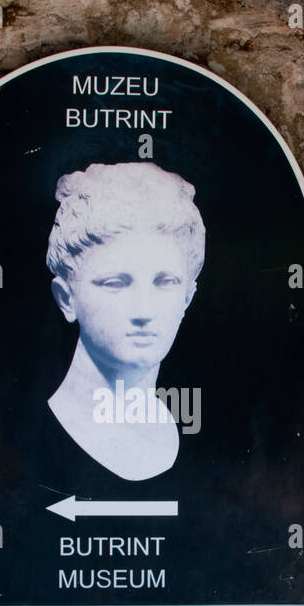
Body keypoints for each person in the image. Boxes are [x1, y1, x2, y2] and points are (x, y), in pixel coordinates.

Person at [46, 161, 205, 480]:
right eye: (115, 283)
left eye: (165, 282)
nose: (143, 311)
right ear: (66, 299)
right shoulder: (36, 431)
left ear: (187, 297)